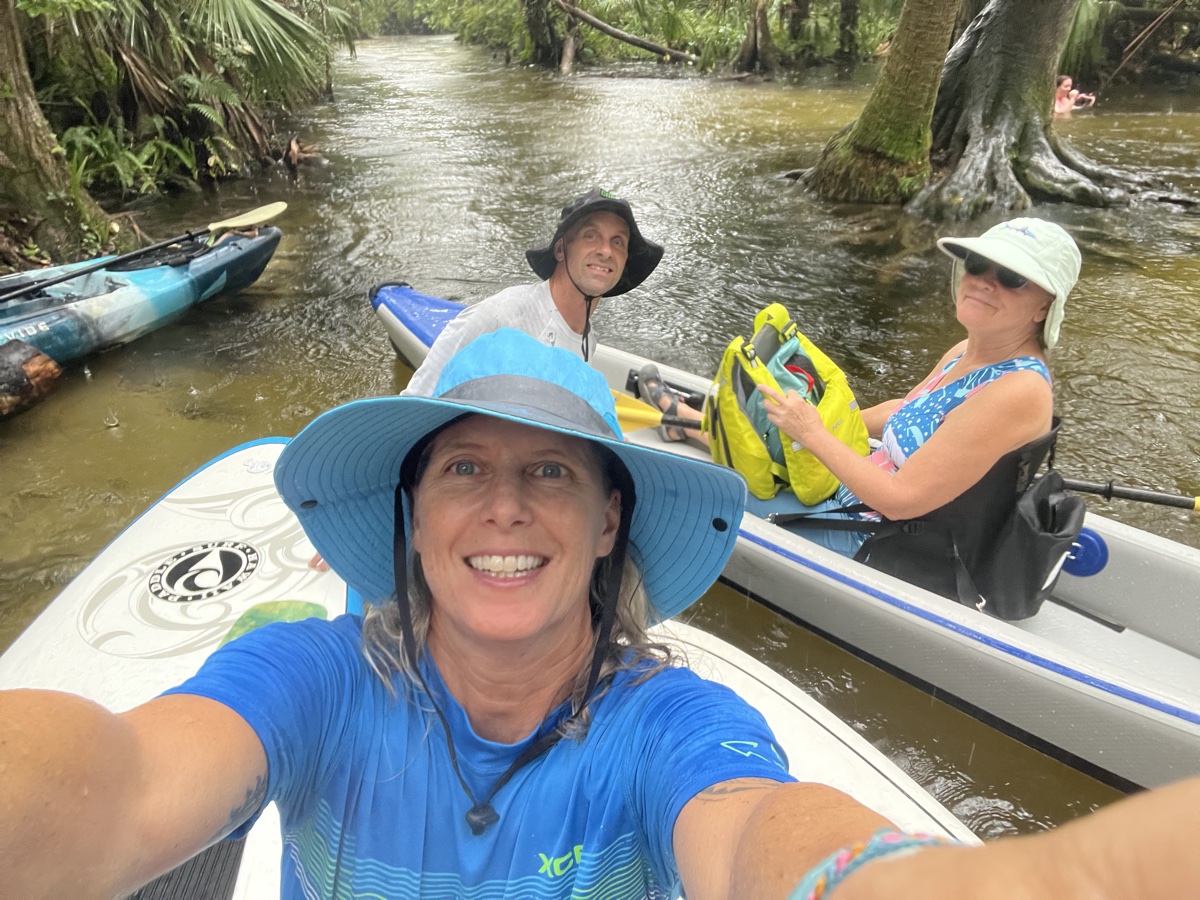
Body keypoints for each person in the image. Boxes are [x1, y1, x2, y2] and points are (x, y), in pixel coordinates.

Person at [2, 329, 1200, 899]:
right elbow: (122, 781)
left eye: (552, 471)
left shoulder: (670, 725)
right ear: (411, 518)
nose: (505, 507)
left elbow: (755, 831)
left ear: (610, 519)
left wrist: (934, 884)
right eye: (463, 469)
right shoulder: (310, 679)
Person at [403, 188, 663, 397]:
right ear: (560, 250)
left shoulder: (586, 339)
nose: (606, 251)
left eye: (617, 241)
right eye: (590, 235)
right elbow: (418, 398)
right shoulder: (502, 317)